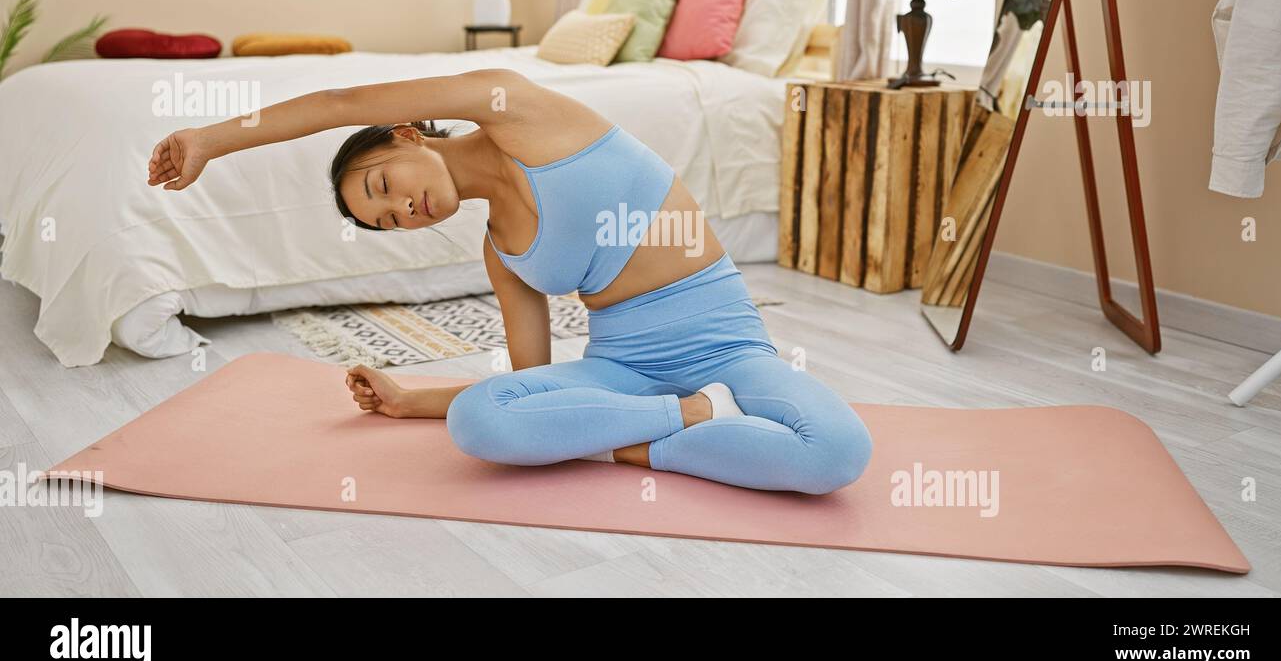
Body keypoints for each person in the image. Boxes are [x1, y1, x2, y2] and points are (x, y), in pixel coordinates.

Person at [147, 68, 872, 493]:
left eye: (384, 185)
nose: (404, 209)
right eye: (388, 220)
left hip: (725, 346)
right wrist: (411, 403)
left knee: (839, 451)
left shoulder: (512, 104)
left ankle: (636, 438)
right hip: (624, 373)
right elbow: (531, 389)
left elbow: (338, 106)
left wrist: (212, 139)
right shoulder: (504, 253)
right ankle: (690, 418)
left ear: (404, 133)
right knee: (479, 422)